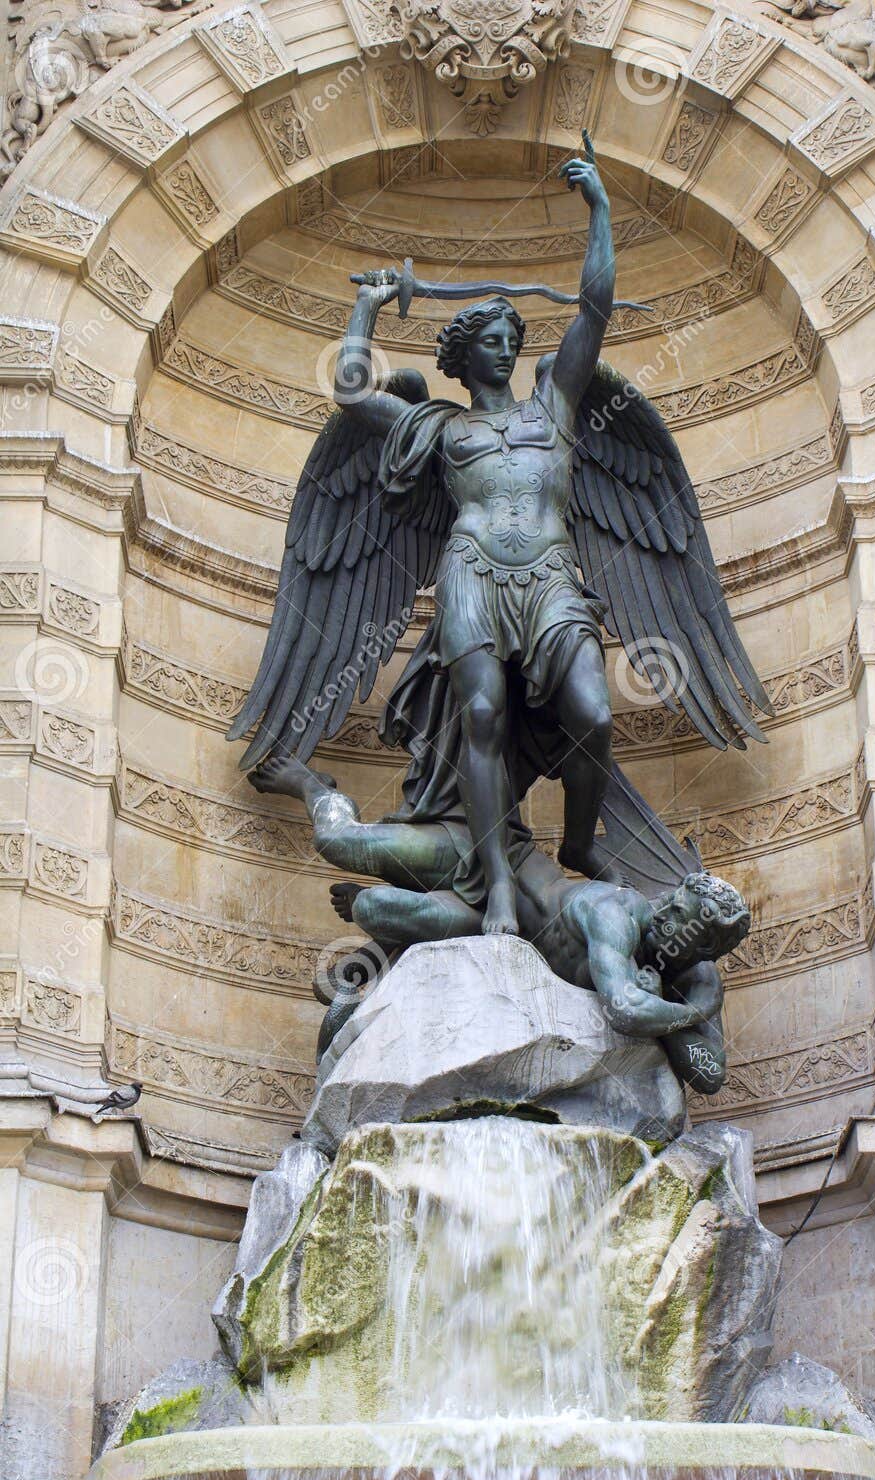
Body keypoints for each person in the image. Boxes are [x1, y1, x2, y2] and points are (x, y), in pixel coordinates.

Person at [330, 144, 618, 937]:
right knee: (482, 716)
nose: (504, 344)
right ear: (461, 357)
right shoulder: (439, 424)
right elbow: (351, 391)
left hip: (550, 572)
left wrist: (598, 209)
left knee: (593, 714)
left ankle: (580, 842)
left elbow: (594, 306)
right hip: (471, 571)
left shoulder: (553, 404)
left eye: (509, 334)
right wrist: (369, 307)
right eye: (489, 336)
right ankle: (493, 886)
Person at [250, 755, 749, 1101]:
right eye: (671, 900)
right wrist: (692, 1013)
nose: (661, 909)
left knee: (374, 907)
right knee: (340, 842)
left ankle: (389, 933)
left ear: (703, 943)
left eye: (676, 915)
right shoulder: (615, 913)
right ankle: (316, 788)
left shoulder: (696, 978)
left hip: (485, 931)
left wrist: (679, 1003)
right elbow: (623, 1006)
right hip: (487, 863)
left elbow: (710, 1075)